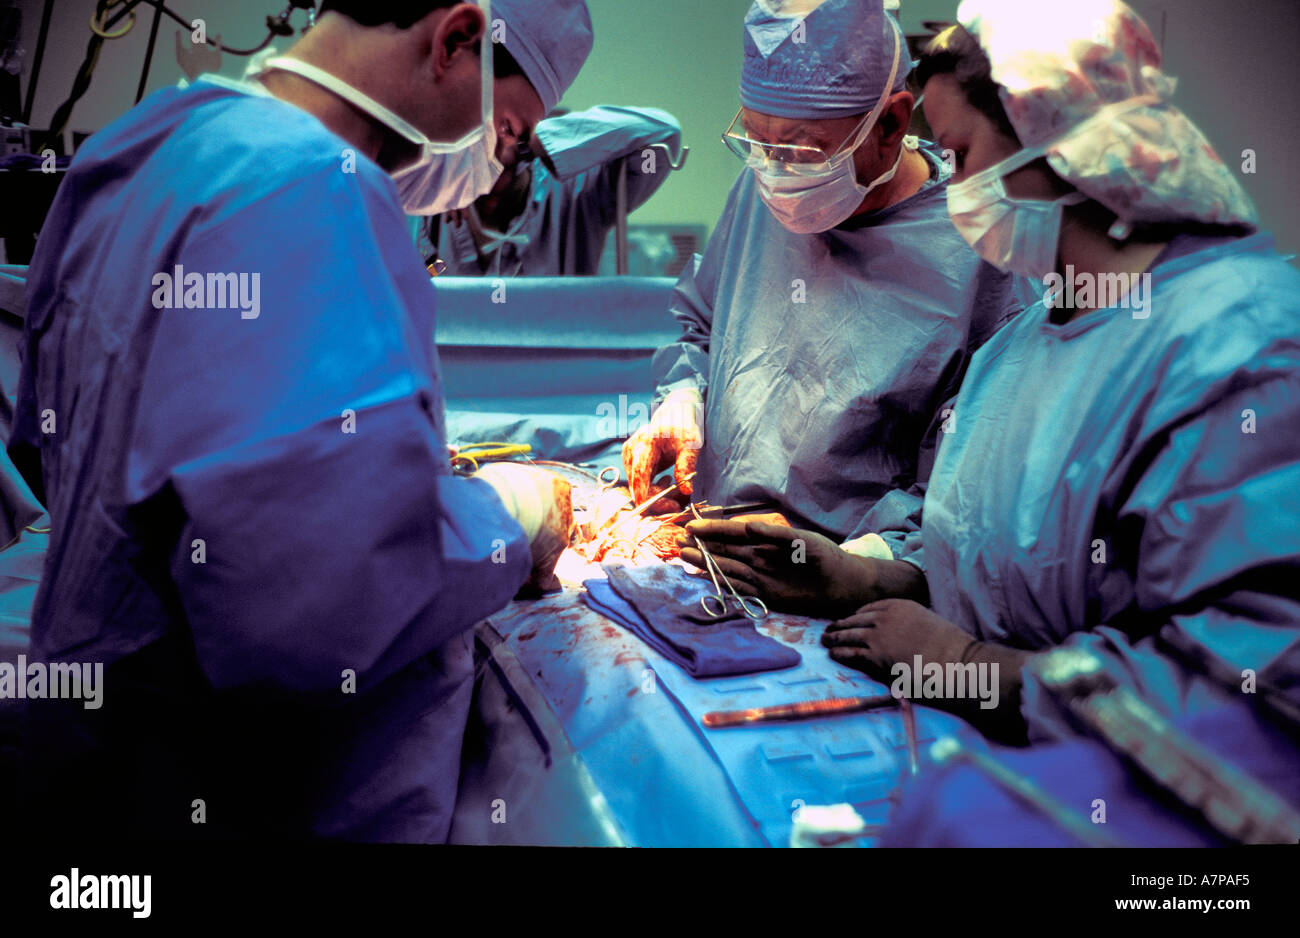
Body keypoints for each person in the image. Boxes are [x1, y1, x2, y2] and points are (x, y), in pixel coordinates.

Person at [9, 0, 591, 842]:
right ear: (460, 39)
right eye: (506, 129)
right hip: (240, 786)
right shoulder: (317, 191)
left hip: (100, 760)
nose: (499, 164)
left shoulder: (136, 148)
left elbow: (47, 441)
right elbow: (324, 602)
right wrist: (507, 512)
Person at [695, 0, 1300, 745]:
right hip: (996, 754)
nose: (952, 195)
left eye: (959, 155)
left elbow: (1248, 690)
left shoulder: (1244, 346)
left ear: (1060, 143)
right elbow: (984, 558)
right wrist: (865, 576)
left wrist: (977, 670)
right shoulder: (1019, 351)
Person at [625, 0, 1022, 594]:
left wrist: (861, 565)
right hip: (709, 550)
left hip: (846, 596)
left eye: (800, 151)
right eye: (757, 142)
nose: (776, 173)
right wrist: (684, 393)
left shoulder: (980, 255)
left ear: (890, 125)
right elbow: (699, 321)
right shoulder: (764, 186)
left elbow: (968, 482)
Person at [424, 105, 684, 276]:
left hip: (561, 355)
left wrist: (538, 141)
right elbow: (421, 275)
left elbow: (664, 132)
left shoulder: (577, 194)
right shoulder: (433, 206)